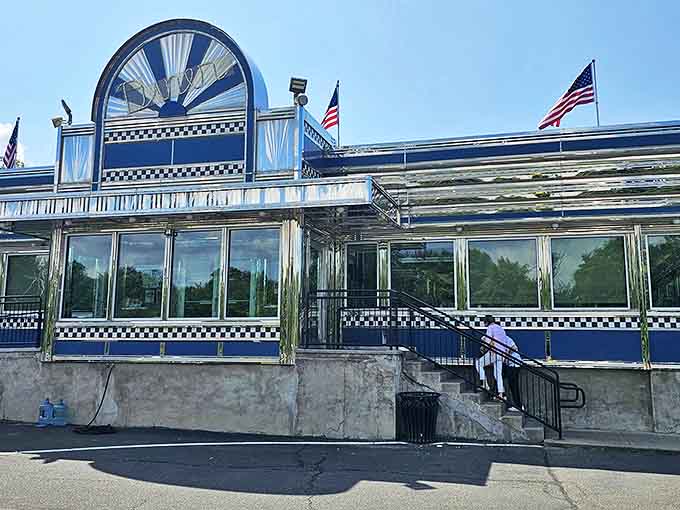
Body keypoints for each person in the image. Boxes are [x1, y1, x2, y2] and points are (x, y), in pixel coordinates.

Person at [476, 315, 520, 410]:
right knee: (498, 374)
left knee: (479, 363)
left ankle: (484, 383)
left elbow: (487, 341)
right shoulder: (501, 329)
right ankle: (501, 393)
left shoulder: (490, 328)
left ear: (486, 322)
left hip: (494, 352)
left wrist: (483, 348)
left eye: (485, 323)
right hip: (502, 354)